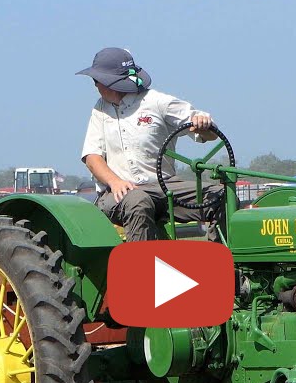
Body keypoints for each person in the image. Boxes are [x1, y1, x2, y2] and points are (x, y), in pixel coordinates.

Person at [78, 47, 224, 241]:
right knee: (138, 201)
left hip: (165, 186)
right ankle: (141, 269)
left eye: (96, 80)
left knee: (222, 196)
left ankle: (221, 263)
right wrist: (115, 182)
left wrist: (203, 124)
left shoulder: (158, 102)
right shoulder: (100, 109)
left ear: (110, 82)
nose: (95, 85)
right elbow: (92, 157)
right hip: (120, 191)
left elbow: (208, 134)